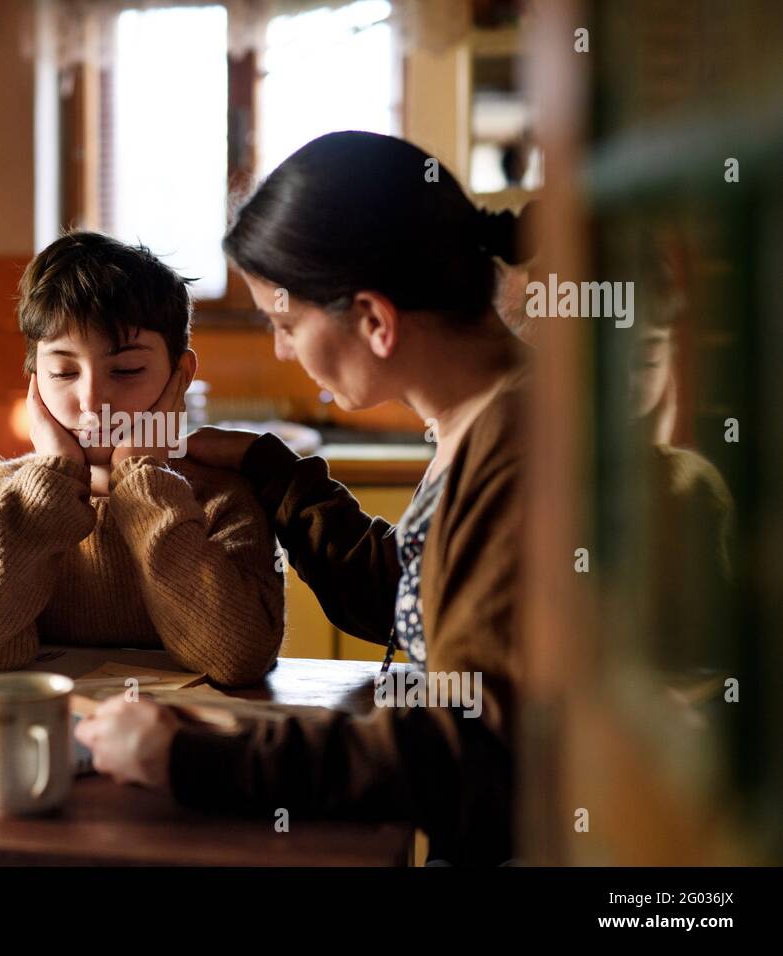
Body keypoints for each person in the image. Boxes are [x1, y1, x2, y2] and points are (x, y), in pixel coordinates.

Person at [76, 131, 534, 865]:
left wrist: (193, 758)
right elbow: (410, 597)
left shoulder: (522, 452)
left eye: (286, 324)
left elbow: (464, 748)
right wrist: (274, 473)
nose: (283, 350)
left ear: (376, 321)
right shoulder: (481, 422)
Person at [0, 231, 284, 686]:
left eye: (125, 370)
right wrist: (53, 484)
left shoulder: (221, 500)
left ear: (180, 377)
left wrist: (141, 480)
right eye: (63, 371)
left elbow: (236, 658)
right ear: (33, 380)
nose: (92, 400)